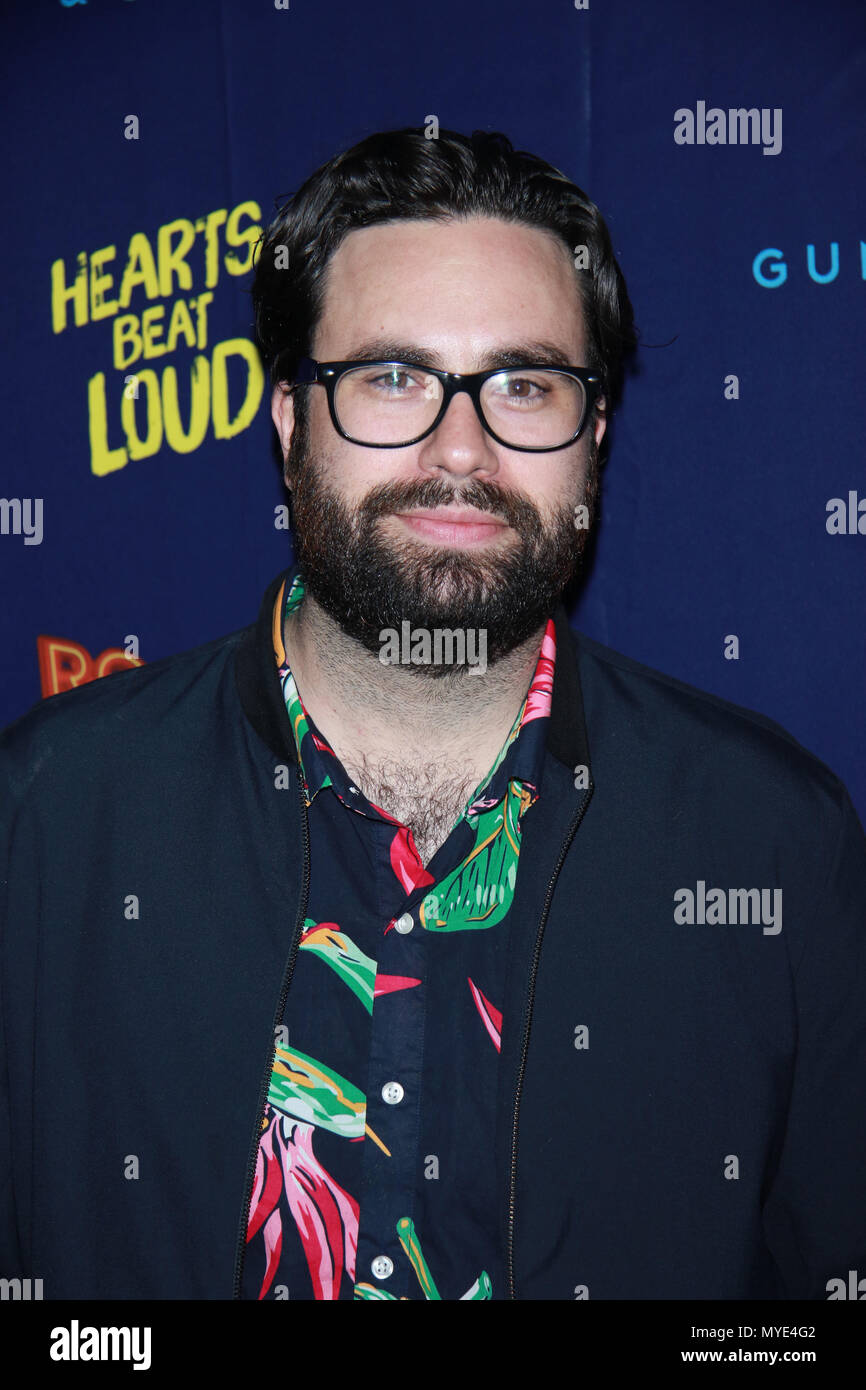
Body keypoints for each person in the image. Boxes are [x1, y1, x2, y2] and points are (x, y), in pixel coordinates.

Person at [1, 127, 865, 1303]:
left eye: (525, 383)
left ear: (592, 437)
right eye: (393, 377)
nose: (460, 447)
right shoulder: (45, 822)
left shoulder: (773, 841)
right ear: (289, 422)